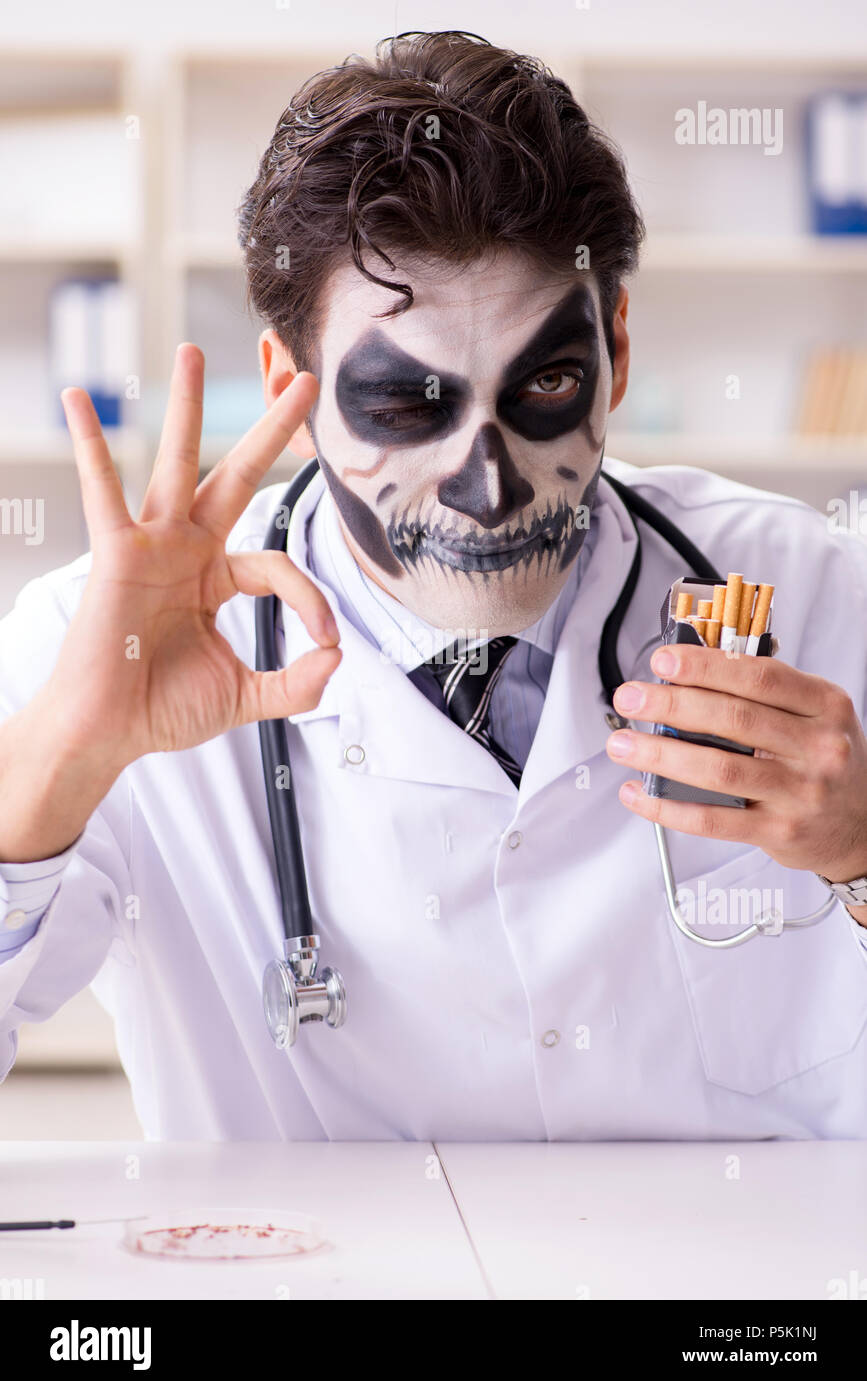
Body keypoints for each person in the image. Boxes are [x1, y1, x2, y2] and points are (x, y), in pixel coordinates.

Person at [1, 30, 866, 1141]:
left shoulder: (816, 593)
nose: (489, 488)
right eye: (409, 404)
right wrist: (55, 771)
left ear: (618, 352)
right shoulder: (99, 647)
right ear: (291, 388)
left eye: (548, 381)